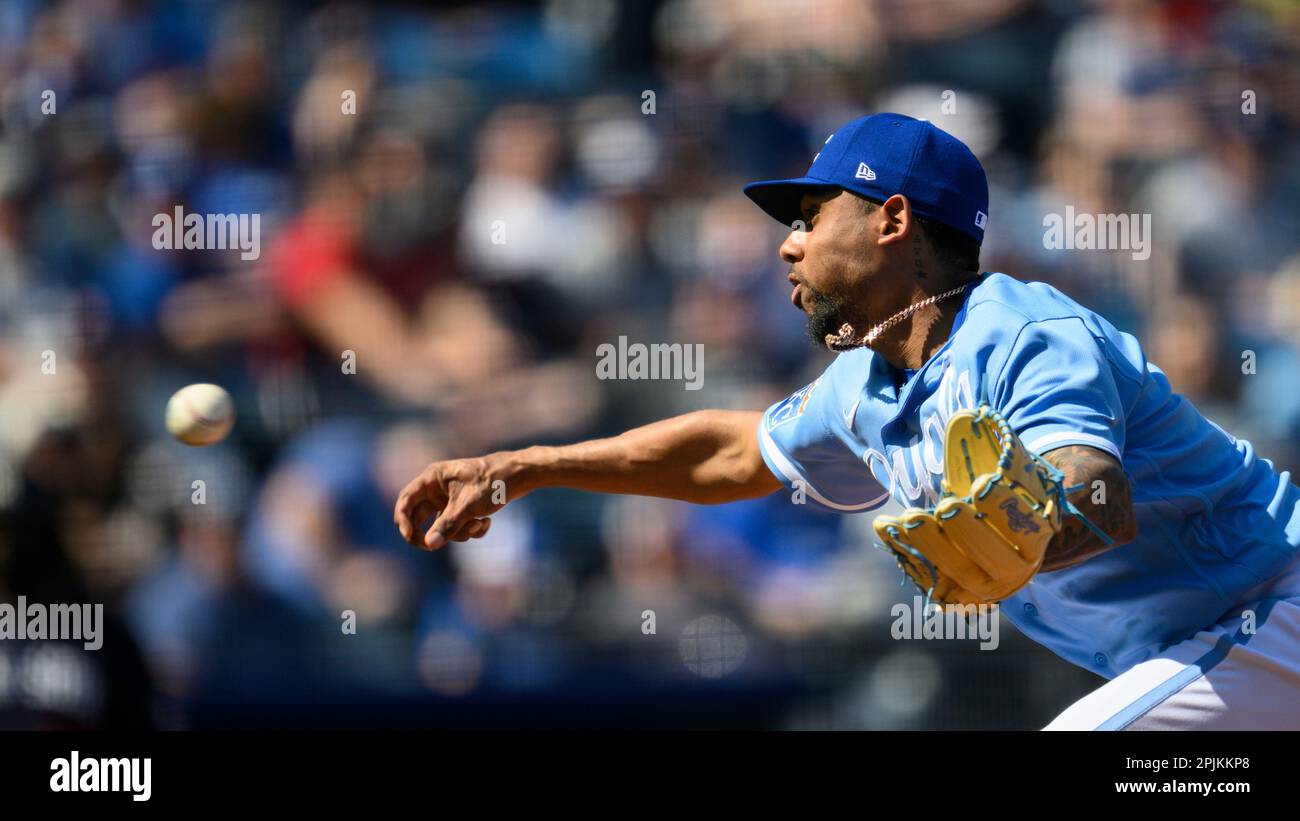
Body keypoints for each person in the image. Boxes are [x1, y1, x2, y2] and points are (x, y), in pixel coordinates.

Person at [394, 113, 1300, 730]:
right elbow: (729, 451)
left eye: (811, 213)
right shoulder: (866, 381)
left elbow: (1098, 496)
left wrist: (1020, 530)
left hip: (1270, 614)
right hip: (1214, 659)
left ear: (893, 219)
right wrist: (530, 466)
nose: (787, 242)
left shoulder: (1021, 331)